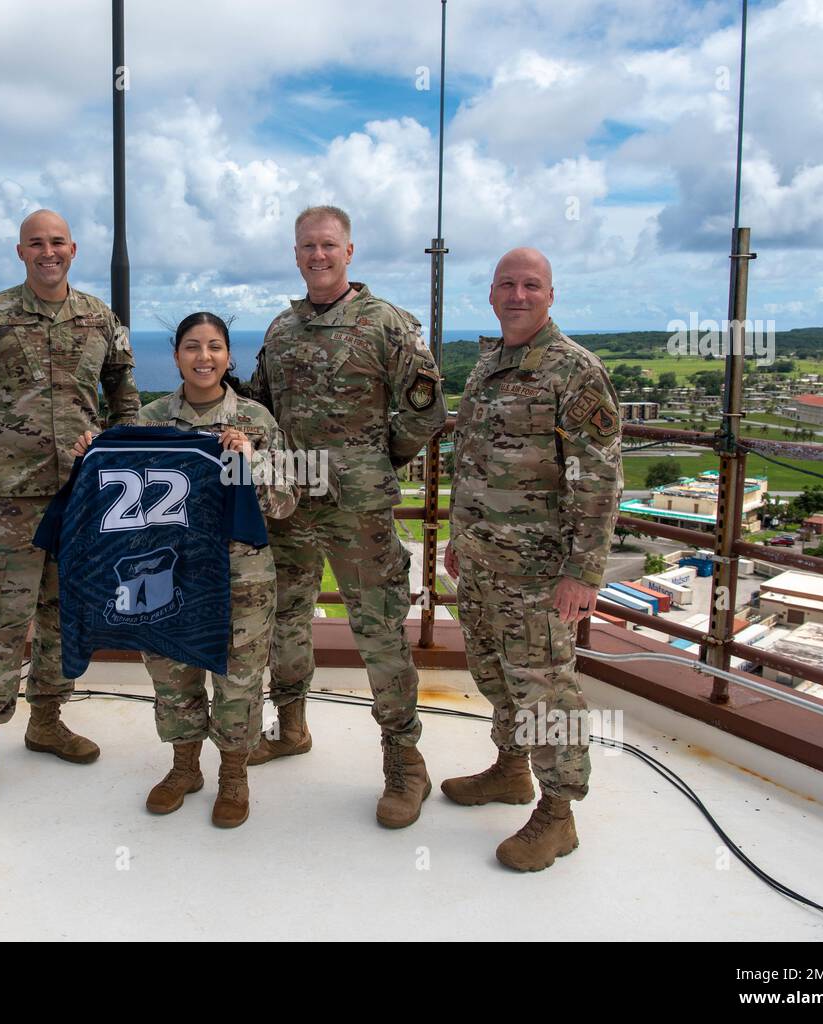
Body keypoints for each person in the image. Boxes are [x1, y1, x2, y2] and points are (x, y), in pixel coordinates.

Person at [0, 208, 140, 809]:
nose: (48, 252)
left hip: (80, 497)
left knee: (61, 617)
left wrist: (122, 473)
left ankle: (45, 721)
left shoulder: (101, 318)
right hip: (9, 501)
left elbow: (125, 399)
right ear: (20, 252)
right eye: (35, 244)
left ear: (73, 249)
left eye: (57, 242)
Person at [249, 205, 446, 828]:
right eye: (307, 246)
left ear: (350, 251)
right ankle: (291, 727)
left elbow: (424, 411)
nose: (318, 255)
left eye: (328, 245)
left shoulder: (387, 324)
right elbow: (260, 407)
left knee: (380, 631)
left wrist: (371, 462)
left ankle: (404, 763)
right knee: (285, 620)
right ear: (296, 253)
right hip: (290, 507)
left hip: (358, 510)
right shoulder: (280, 331)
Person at [72, 313, 297, 828]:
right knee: (171, 671)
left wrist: (248, 461)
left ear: (228, 356)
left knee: (238, 680)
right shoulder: (148, 422)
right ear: (175, 356)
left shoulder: (256, 421)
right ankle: (184, 766)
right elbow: (112, 482)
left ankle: (234, 774)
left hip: (241, 576)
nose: (203, 357)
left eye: (214, 347)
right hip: (163, 572)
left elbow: (285, 502)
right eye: (192, 347)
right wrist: (90, 452)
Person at [442, 246, 622, 871]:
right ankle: (511, 770)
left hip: (541, 575)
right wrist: (459, 538)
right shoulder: (489, 363)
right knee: (495, 676)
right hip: (483, 561)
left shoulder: (574, 371)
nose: (518, 295)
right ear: (491, 294)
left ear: (551, 294)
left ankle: (558, 814)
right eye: (507, 284)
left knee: (546, 693)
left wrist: (583, 573)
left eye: (531, 285)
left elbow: (599, 480)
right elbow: (471, 461)